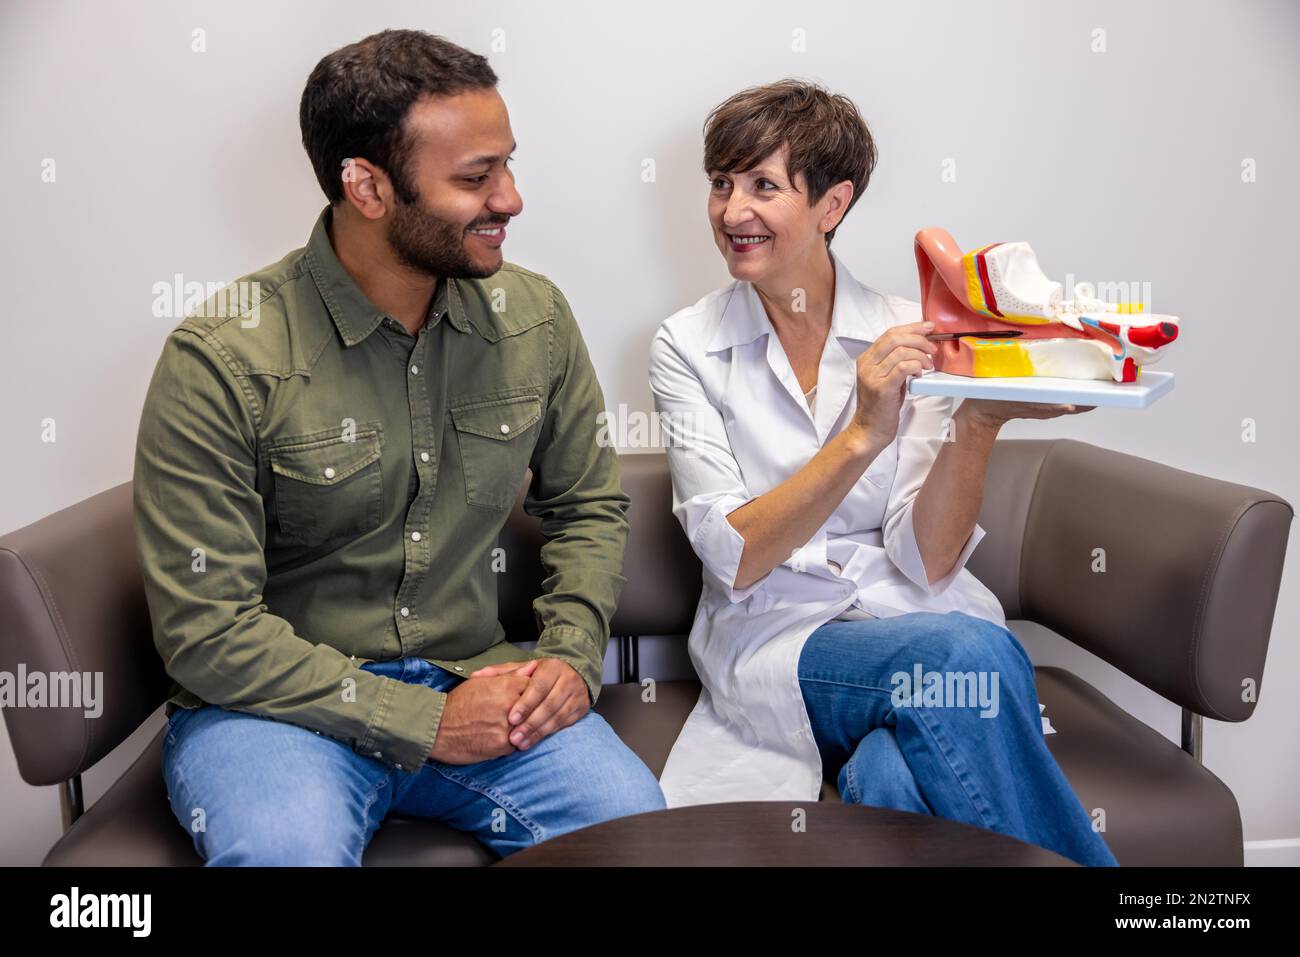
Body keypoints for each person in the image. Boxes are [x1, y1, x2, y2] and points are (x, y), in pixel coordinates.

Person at [133, 29, 664, 865]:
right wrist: (420, 722)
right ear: (367, 187)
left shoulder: (534, 319)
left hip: (477, 678)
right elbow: (208, 630)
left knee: (638, 833)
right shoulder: (224, 356)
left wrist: (568, 656)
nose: (512, 198)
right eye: (475, 176)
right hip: (276, 712)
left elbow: (588, 506)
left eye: (508, 164)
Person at [648, 79, 1118, 866]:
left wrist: (977, 419)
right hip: (784, 641)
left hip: (905, 620)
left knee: (892, 777)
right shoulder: (686, 346)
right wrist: (863, 431)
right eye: (722, 184)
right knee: (965, 653)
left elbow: (927, 560)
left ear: (833, 204)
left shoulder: (909, 334)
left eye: (763, 186)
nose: (732, 212)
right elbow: (733, 554)